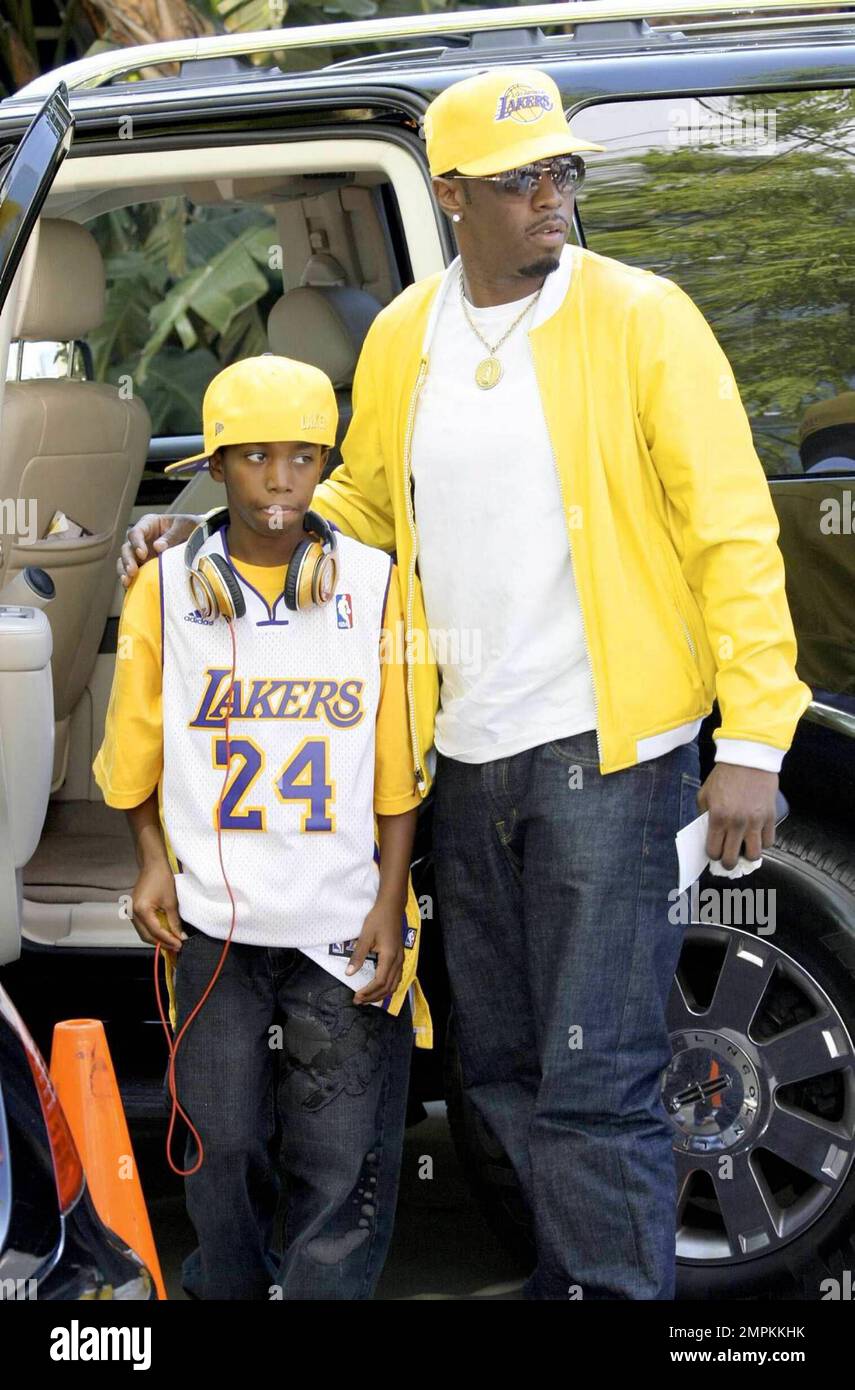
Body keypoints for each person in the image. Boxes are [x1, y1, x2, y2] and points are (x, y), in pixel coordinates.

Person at [119, 68, 813, 1300]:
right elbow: (363, 505)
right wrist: (217, 531)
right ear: (449, 197)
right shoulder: (406, 338)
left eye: (564, 173)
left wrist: (755, 734)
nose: (553, 197)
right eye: (520, 180)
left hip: (613, 753)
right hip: (466, 755)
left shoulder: (641, 318)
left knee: (598, 1082)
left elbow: (733, 530)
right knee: (499, 1070)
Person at [95, 354, 431, 1300]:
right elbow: (133, 748)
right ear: (215, 463)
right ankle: (230, 1285)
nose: (278, 480)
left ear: (325, 463)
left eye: (300, 457)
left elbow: (400, 761)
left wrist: (390, 896)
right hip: (214, 920)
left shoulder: (373, 584)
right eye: (251, 458)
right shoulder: (165, 586)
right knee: (222, 1131)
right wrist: (150, 862)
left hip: (338, 919)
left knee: (340, 1148)